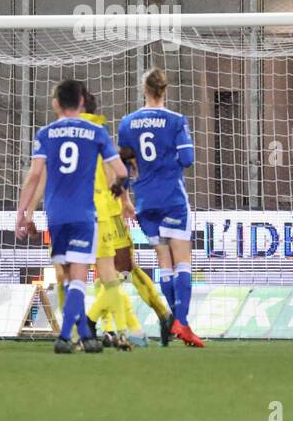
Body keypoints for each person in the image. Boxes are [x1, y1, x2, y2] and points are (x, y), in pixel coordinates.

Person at [16, 79, 132, 354]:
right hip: (85, 213)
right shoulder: (96, 132)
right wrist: (119, 188)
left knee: (66, 277)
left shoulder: (46, 134)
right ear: (82, 102)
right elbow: (122, 171)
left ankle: (75, 336)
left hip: (56, 214)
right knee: (80, 277)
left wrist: (22, 214)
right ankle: (73, 336)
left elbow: (34, 176)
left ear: (55, 103)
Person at [118, 70, 200, 347]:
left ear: (144, 89)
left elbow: (124, 164)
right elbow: (187, 159)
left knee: (164, 264)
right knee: (183, 262)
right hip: (171, 198)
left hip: (144, 201)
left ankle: (174, 322)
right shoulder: (176, 121)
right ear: (164, 90)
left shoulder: (128, 123)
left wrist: (126, 199)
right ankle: (183, 323)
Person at [81, 90, 151, 349]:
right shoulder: (99, 136)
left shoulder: (66, 134)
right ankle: (112, 328)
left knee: (80, 275)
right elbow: (117, 173)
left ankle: (103, 330)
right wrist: (124, 200)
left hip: (73, 212)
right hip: (102, 213)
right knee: (115, 272)